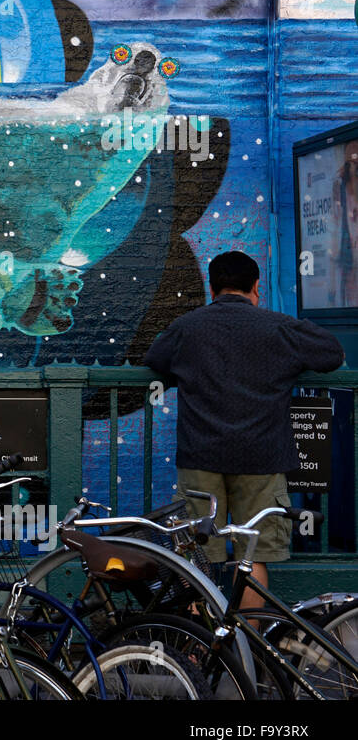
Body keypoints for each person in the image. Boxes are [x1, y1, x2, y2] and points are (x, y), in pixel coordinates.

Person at [144, 250, 344, 609]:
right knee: (253, 557)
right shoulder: (278, 327)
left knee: (197, 559)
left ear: (212, 287)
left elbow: (155, 359)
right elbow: (331, 352)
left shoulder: (188, 327)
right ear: (256, 287)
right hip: (261, 457)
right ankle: (244, 651)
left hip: (201, 456)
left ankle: (200, 649)